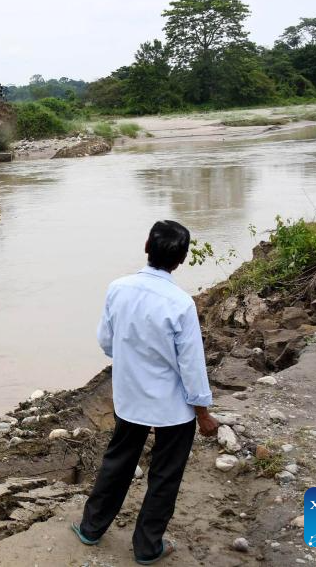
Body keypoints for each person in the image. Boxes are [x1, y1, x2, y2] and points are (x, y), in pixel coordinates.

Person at [72, 220, 218, 565]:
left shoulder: (118, 288)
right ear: (181, 259)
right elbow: (192, 366)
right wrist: (203, 413)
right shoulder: (181, 304)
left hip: (129, 398)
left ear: (146, 247)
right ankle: (147, 545)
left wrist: (133, 359)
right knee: (165, 476)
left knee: (117, 463)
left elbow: (107, 342)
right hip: (172, 408)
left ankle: (92, 528)